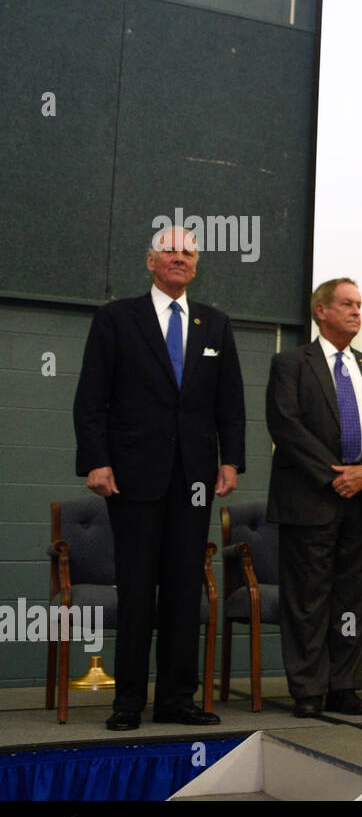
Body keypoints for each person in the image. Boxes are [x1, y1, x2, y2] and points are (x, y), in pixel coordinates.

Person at [74, 226, 245, 731]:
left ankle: (176, 698)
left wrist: (231, 460)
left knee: (181, 589)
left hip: (194, 479)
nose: (180, 258)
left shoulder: (215, 323)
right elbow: (91, 398)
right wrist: (96, 462)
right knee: (136, 588)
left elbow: (229, 403)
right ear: (150, 261)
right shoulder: (116, 318)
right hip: (131, 477)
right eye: (170, 250)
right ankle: (127, 700)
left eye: (189, 252)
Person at [266, 278, 362, 717]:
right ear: (320, 311)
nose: (356, 312)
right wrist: (334, 476)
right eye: (346, 304)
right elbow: (286, 425)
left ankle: (344, 685)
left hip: (361, 500)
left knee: (352, 599)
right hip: (310, 498)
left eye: (360, 305)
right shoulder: (291, 364)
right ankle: (308, 689)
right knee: (307, 599)